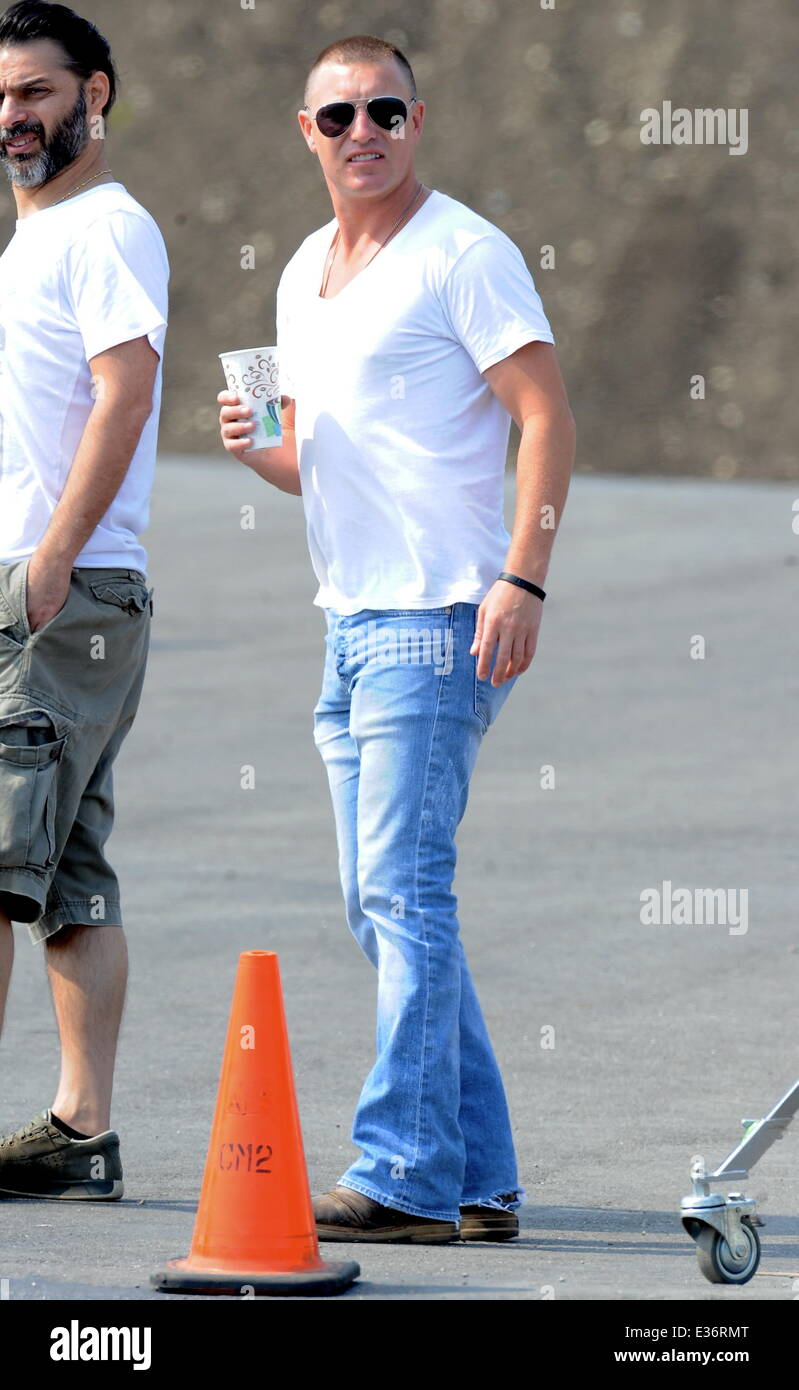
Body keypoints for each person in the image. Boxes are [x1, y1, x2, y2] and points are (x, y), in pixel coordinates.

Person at [218, 33, 575, 1243]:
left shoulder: (463, 254)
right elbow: (309, 460)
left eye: (383, 111)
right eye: (336, 117)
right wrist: (256, 441)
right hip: (352, 623)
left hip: (439, 615)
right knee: (383, 903)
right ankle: (477, 1176)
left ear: (418, 120)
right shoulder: (305, 268)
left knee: (401, 892)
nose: (360, 133)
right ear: (303, 132)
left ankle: (407, 1174)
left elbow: (545, 416)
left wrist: (521, 577)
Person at [0, 1, 168, 1200]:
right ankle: (81, 1129)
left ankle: (79, 1126)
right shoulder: (41, 236)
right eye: (4, 96)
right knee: (70, 875)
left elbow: (126, 392)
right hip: (74, 593)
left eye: (37, 92)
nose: (14, 116)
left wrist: (50, 558)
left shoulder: (103, 228)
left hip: (59, 593)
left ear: (94, 95)